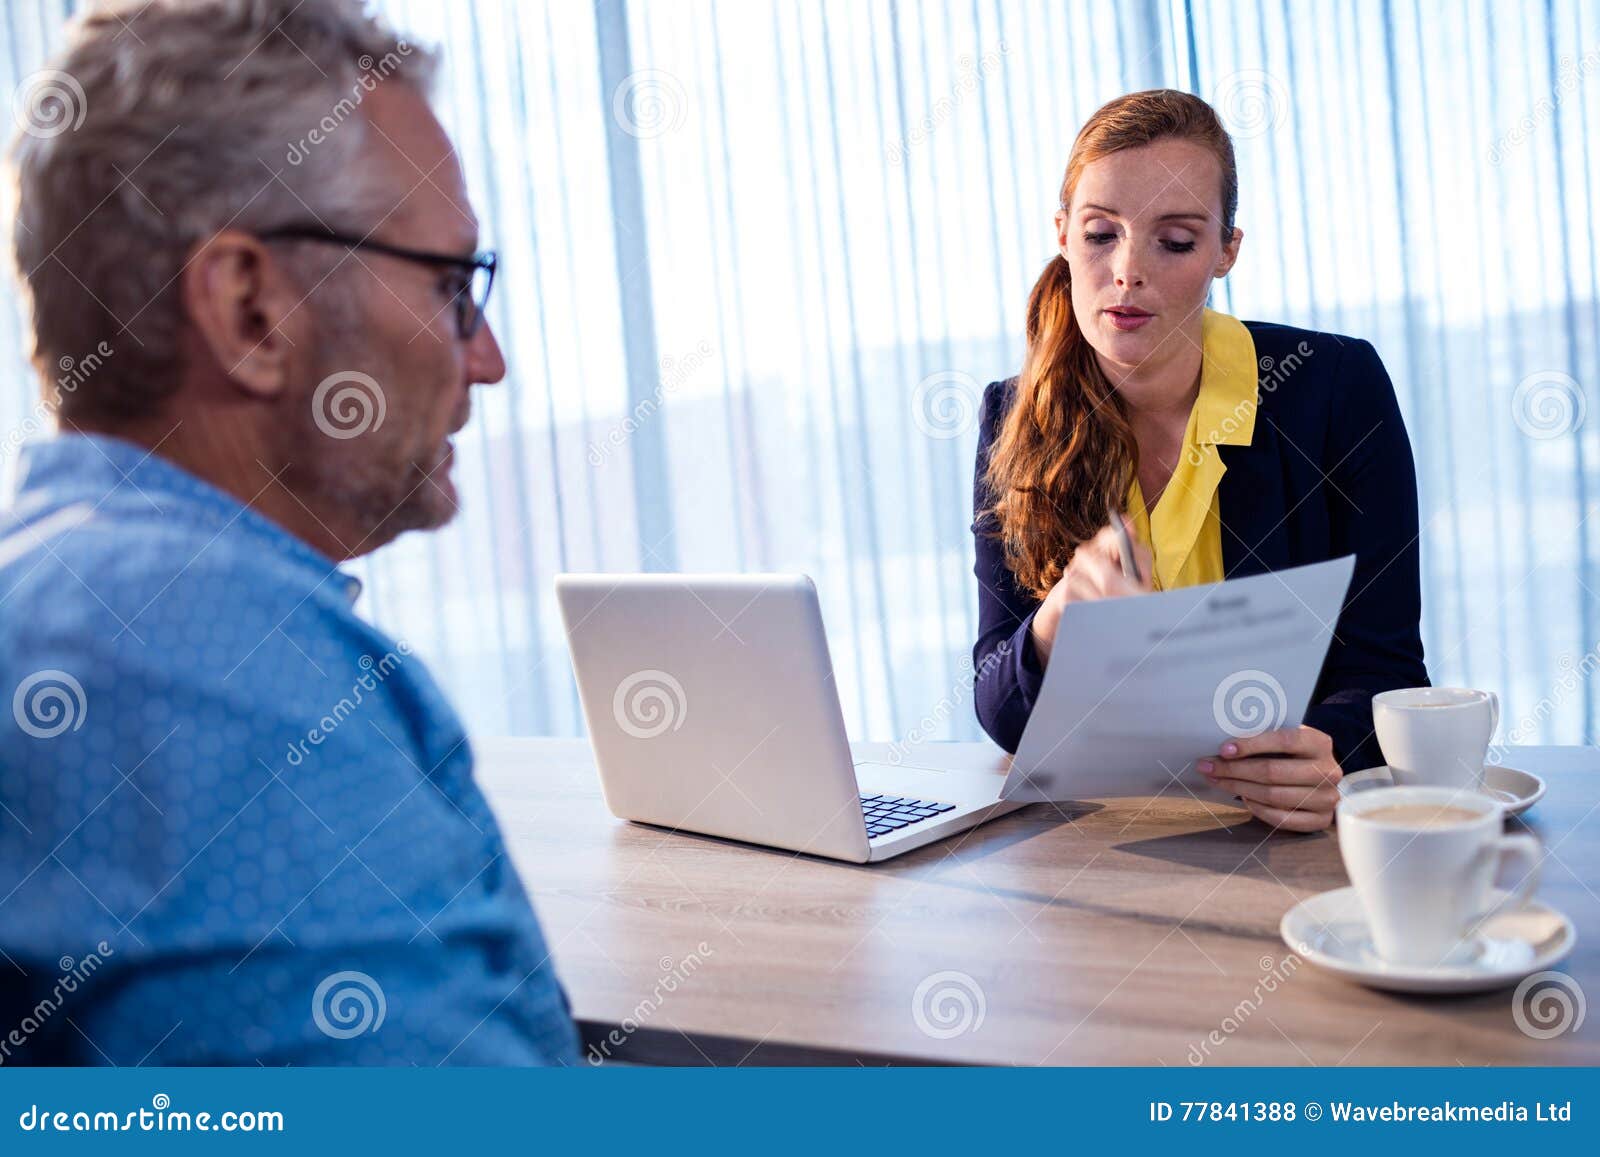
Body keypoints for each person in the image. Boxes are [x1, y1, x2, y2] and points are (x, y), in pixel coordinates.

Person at [0, 0, 577, 1063]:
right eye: (452, 286)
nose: (486, 358)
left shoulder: (65, 589)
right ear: (250, 310)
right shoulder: (192, 652)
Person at [972, 89, 1428, 833]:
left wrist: (1329, 751)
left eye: (1176, 242)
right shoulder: (1011, 415)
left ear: (1225, 251)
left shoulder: (1335, 389)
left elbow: (1388, 671)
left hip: (1282, 838)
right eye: (1100, 234)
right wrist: (1053, 624)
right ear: (1062, 235)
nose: (1127, 270)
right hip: (1099, 842)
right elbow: (999, 708)